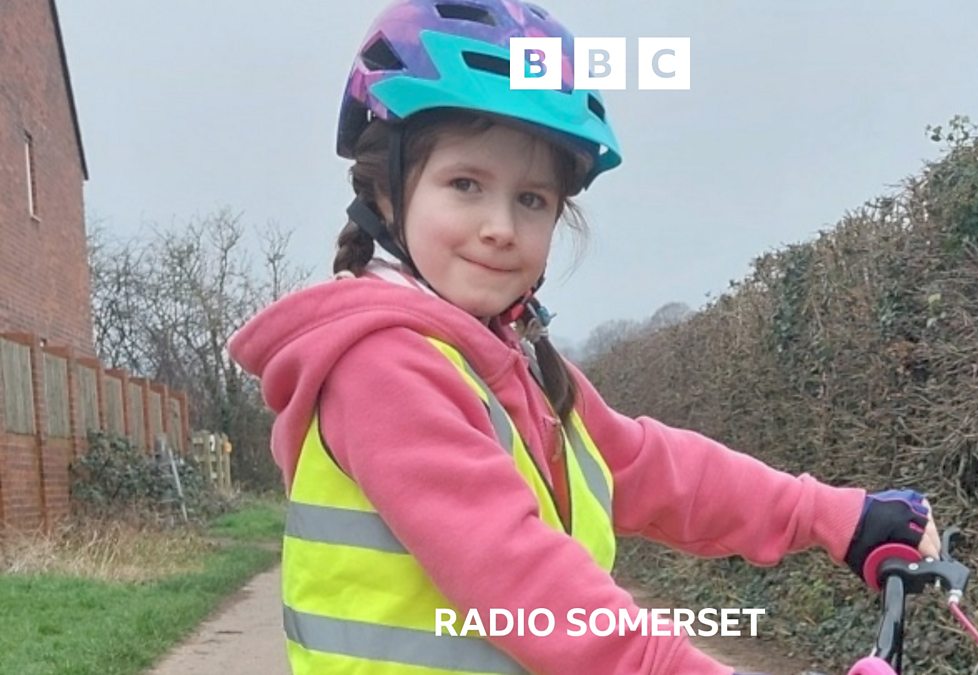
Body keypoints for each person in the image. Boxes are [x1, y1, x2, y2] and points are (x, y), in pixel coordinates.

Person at [228, 1, 940, 673]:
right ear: (385, 192)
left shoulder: (517, 367)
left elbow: (653, 467)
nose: (501, 226)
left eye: (531, 198)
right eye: (465, 184)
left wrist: (835, 514)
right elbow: (524, 581)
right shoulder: (382, 367)